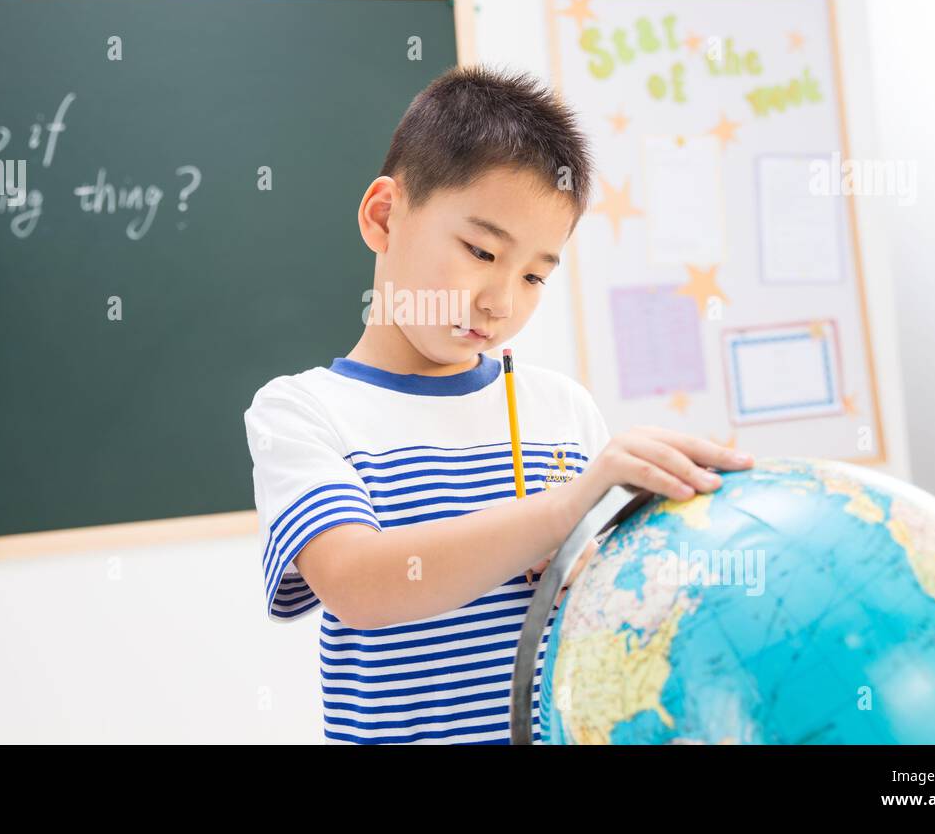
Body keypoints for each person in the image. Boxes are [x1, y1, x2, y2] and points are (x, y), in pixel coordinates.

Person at [244, 64, 753, 743]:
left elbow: (602, 613)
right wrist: (559, 512)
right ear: (383, 216)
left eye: (535, 274)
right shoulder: (304, 412)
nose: (501, 301)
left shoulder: (563, 413)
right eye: (482, 251)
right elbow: (357, 584)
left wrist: (601, 563)